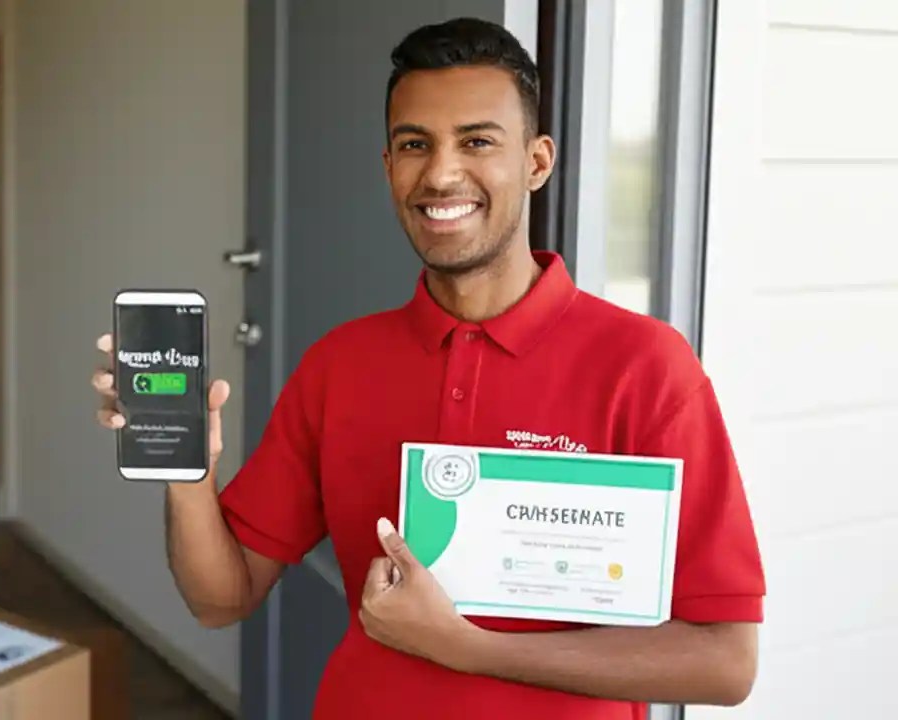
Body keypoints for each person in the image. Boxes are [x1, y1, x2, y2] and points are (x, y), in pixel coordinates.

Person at [92, 17, 764, 720]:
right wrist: (188, 471)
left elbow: (725, 661)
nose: (441, 173)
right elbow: (219, 597)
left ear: (537, 162)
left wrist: (466, 647)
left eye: (477, 141)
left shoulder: (644, 368)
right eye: (415, 144)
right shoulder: (340, 365)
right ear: (389, 166)